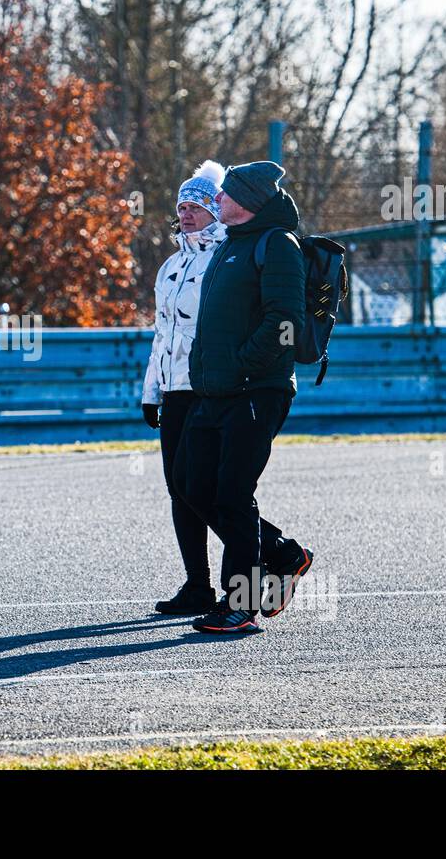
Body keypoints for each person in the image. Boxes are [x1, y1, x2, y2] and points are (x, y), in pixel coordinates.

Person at [142, 161, 298, 617]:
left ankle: (245, 598)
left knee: (228, 493)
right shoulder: (177, 264)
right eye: (183, 205)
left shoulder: (254, 247)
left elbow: (284, 321)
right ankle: (214, 586)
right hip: (200, 385)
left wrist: (239, 367)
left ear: (240, 203)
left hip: (238, 387)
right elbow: (164, 334)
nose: (190, 212)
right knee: (190, 486)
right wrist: (153, 389)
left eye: (204, 202)